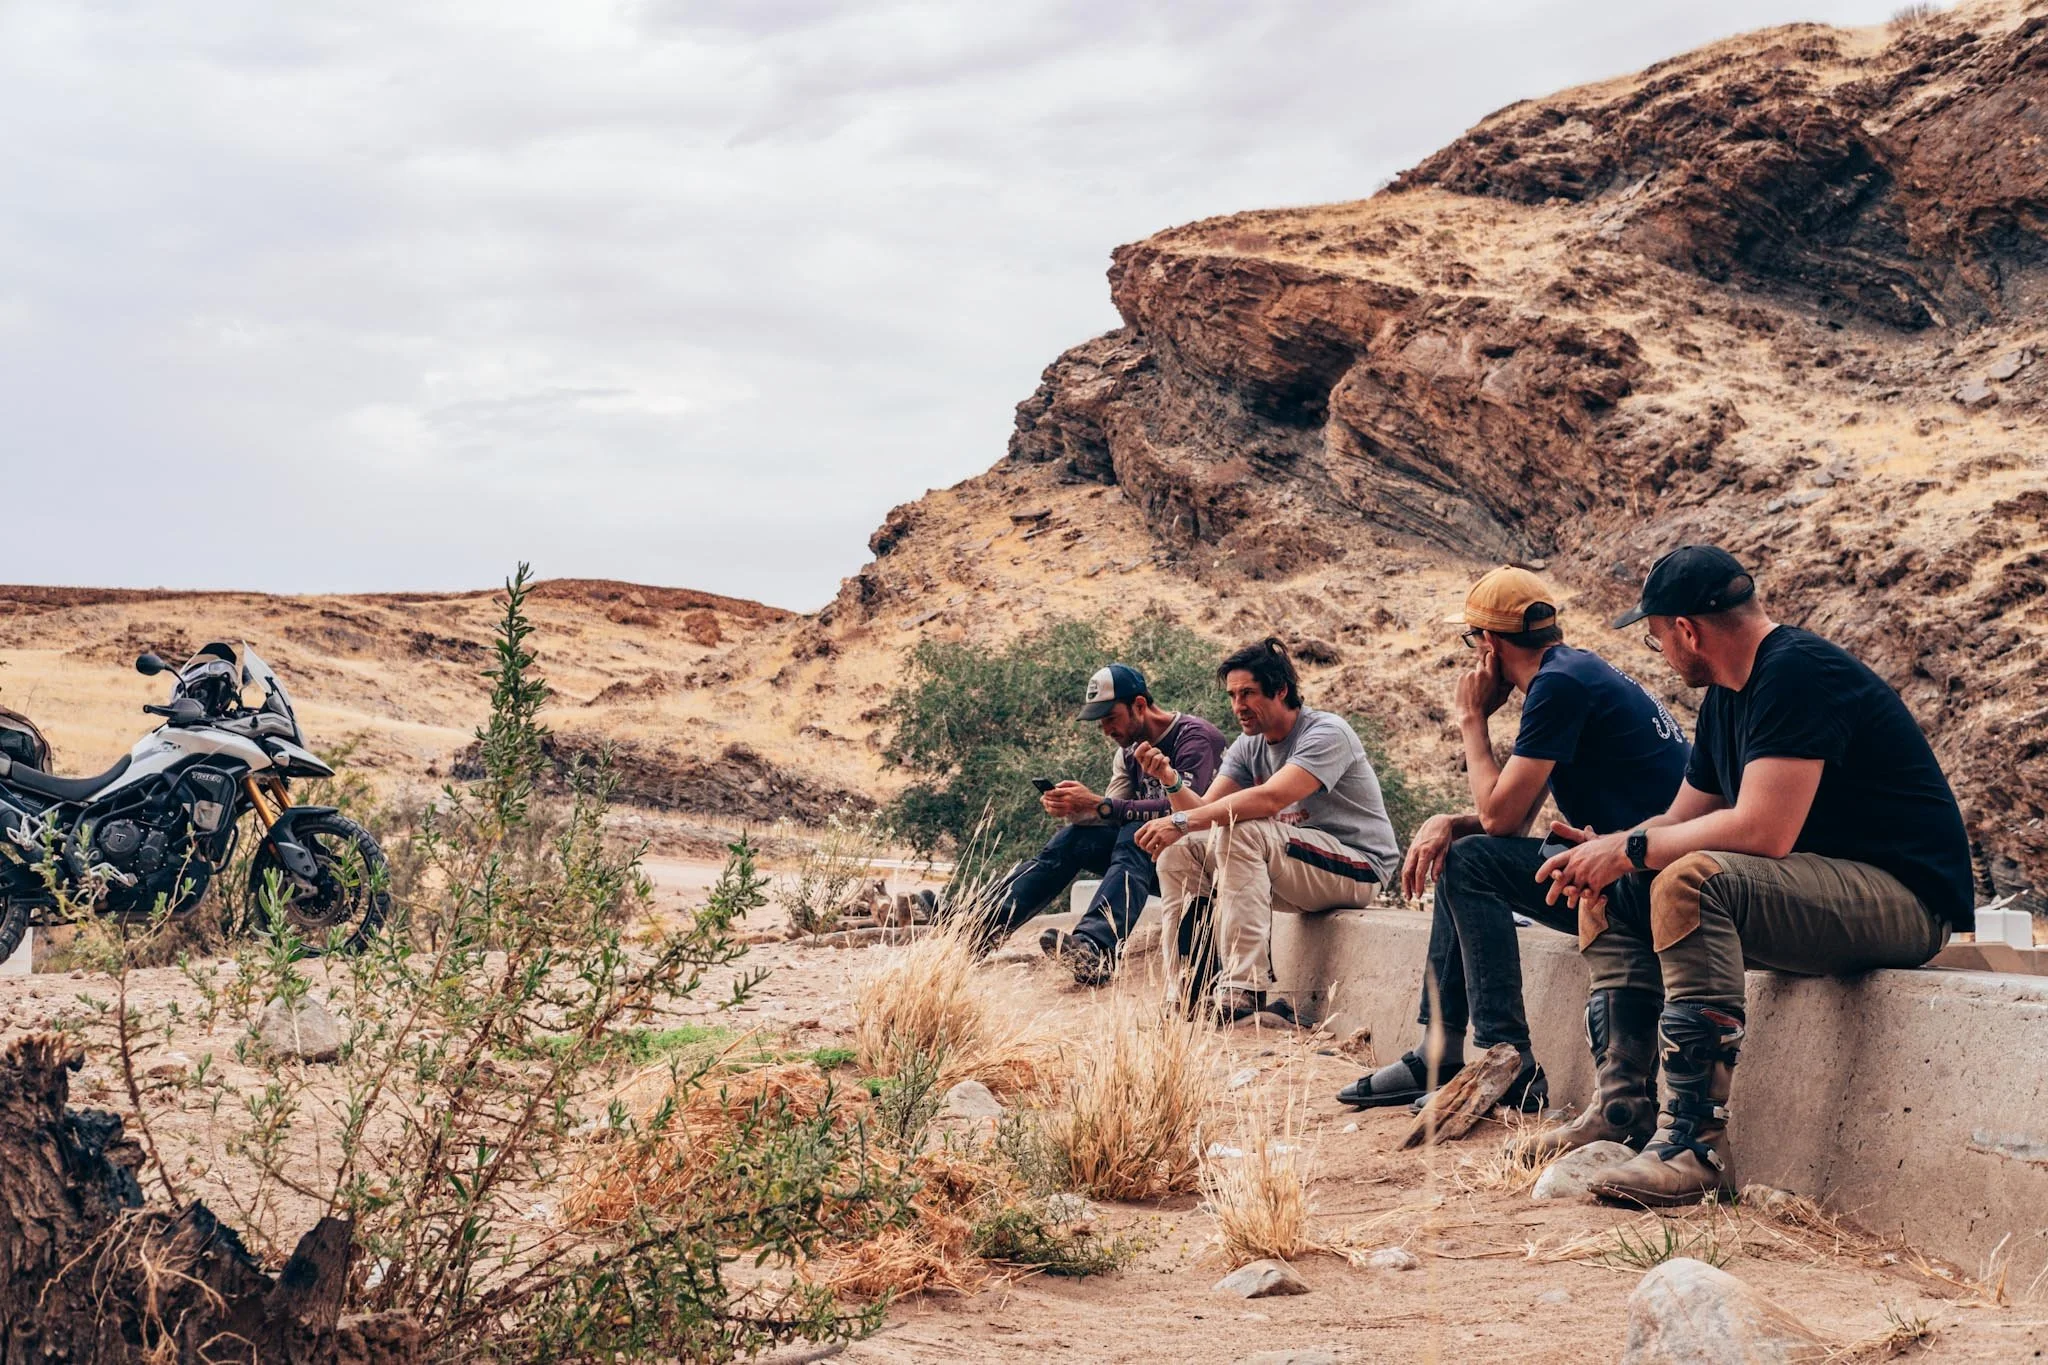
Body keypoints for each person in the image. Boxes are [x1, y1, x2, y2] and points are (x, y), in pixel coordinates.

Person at [1529, 545, 1971, 1206]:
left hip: (1905, 898)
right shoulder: (1726, 702)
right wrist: (1610, 848)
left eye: (1656, 640)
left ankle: (1693, 1148)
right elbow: (1681, 819)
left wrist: (1638, 845)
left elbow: (1766, 829)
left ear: (1686, 630)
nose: (1664, 655)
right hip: (1819, 888)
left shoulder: (1795, 673)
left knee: (1691, 879)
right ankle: (1625, 1113)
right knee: (1619, 885)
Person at [1337, 567, 1690, 1119]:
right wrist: (1447, 823)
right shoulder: (1572, 673)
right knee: (1462, 854)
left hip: (1651, 883)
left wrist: (1471, 719)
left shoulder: (1559, 686)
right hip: (1634, 869)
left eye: (1471, 641)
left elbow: (1500, 823)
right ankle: (1438, 1053)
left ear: (1490, 644)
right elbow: (1515, 817)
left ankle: (1508, 1060)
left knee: (1472, 862)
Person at [1137, 638, 1400, 1023]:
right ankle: (1187, 987)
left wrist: (1177, 821)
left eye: (1248, 693)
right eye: (1232, 695)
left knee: (1241, 830)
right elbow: (1203, 816)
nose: (1238, 706)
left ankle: (1244, 987)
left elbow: (1271, 800)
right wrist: (1170, 780)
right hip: (1295, 868)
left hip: (1357, 867)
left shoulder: (1326, 732)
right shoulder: (1249, 745)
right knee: (1182, 850)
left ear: (1281, 690)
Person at [975, 662, 1225, 985]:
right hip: (1154, 863)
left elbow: (1188, 813)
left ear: (1139, 705)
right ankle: (980, 926)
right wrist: (1075, 808)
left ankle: (1096, 947)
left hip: (1205, 863)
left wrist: (1101, 806)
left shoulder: (1195, 738)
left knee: (1137, 833)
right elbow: (1112, 814)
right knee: (1075, 839)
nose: (1106, 730)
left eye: (1110, 718)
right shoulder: (1126, 754)